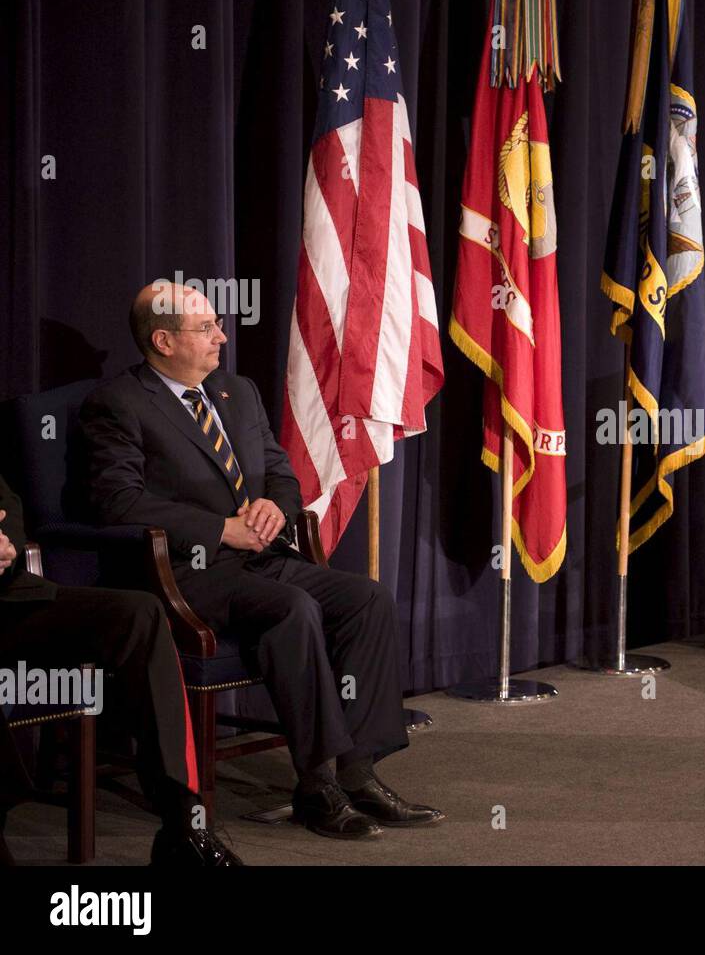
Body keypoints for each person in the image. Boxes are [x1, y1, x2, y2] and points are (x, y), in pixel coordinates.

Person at [74, 281, 443, 839]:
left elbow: (280, 473)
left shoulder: (236, 391)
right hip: (188, 571)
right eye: (206, 328)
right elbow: (117, 501)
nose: (221, 337)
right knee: (291, 608)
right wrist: (220, 529)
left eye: (218, 324)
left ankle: (358, 773)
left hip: (262, 557)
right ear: (163, 341)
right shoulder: (118, 403)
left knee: (367, 599)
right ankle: (316, 785)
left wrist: (275, 506)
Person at [0, 474, 240, 865]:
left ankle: (181, 823)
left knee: (141, 613)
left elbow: (6, 504)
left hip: (9, 597)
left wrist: (5, 544)